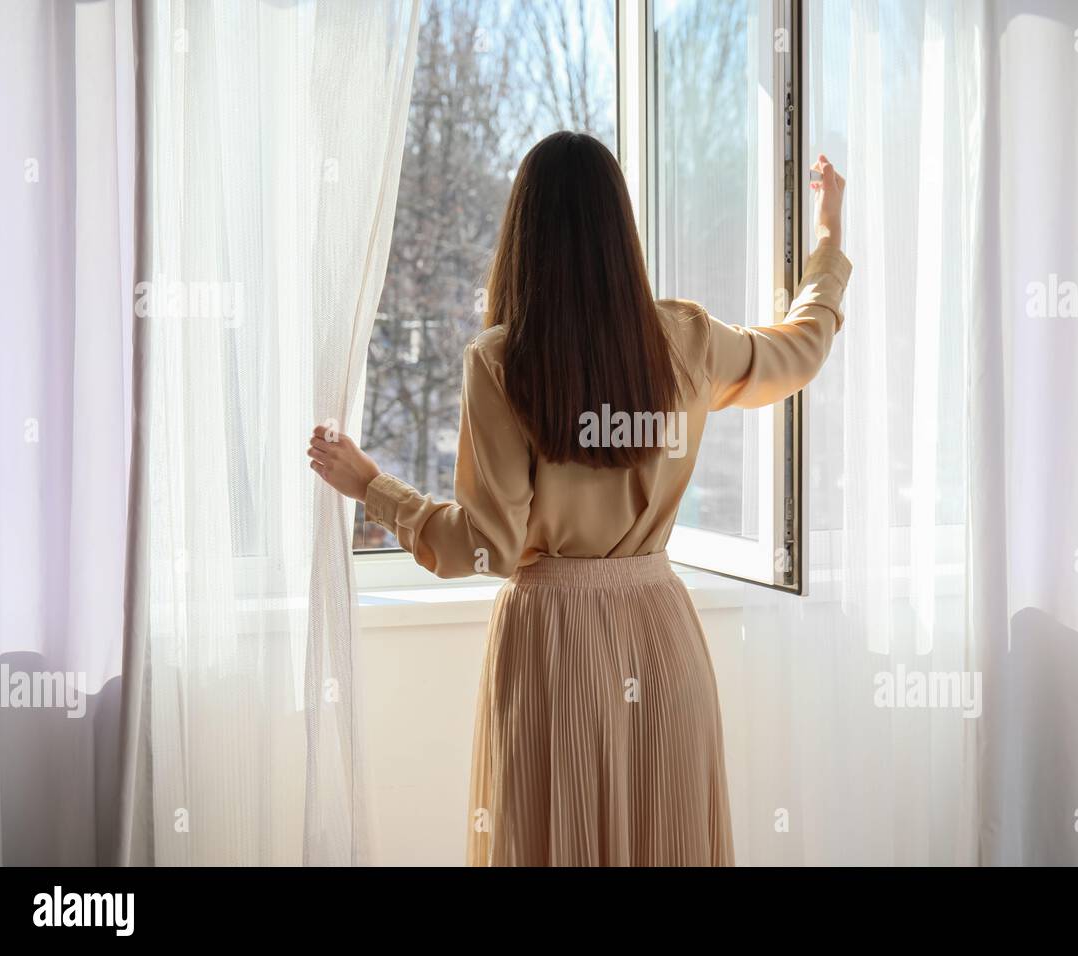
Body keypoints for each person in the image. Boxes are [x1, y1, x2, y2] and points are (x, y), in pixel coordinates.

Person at [308, 131, 851, 866]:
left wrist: (374, 488)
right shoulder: (685, 341)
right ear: (619, 231)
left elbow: (488, 546)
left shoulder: (500, 361)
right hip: (661, 638)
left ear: (521, 235)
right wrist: (827, 242)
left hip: (551, 647)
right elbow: (800, 348)